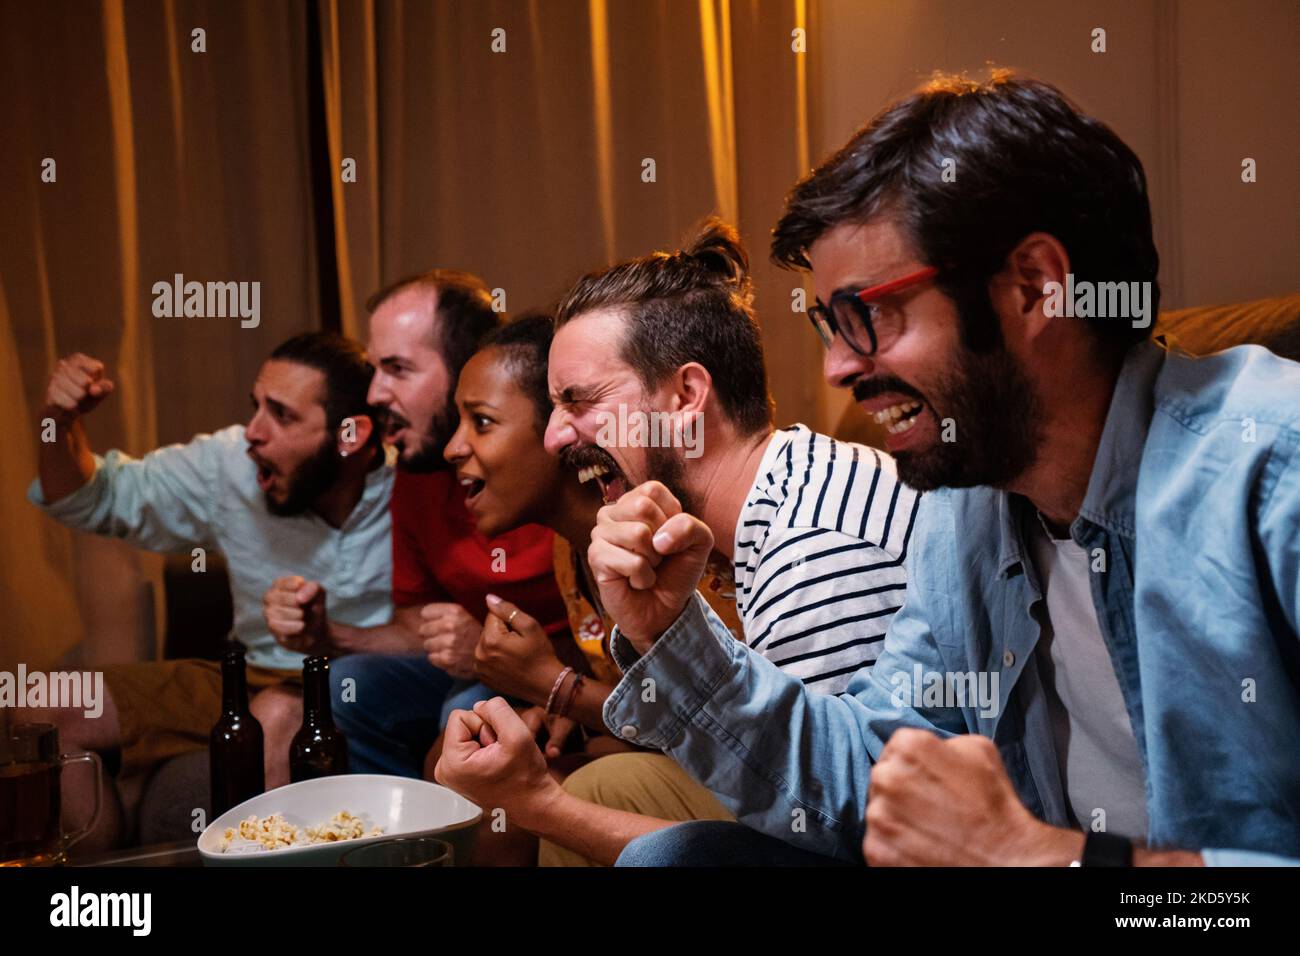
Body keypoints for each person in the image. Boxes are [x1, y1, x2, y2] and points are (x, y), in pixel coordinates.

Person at [582, 71, 1300, 866]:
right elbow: (872, 776)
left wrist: (1049, 859)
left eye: (866, 317)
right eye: (828, 325)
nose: (836, 372)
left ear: (1034, 287)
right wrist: (670, 635)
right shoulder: (970, 513)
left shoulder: (1274, 471)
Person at [434, 219, 922, 865]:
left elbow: (841, 830)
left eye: (579, 401)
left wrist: (535, 802)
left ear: (687, 395)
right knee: (608, 781)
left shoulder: (806, 551)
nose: (556, 438)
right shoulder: (782, 488)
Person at [27, 332, 391, 850]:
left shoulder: (412, 491)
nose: (253, 433)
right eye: (255, 407)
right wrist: (58, 421)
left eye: (282, 416)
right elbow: (84, 498)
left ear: (351, 435)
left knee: (276, 718)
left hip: (355, 681)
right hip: (243, 676)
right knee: (43, 705)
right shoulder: (230, 466)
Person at [264, 271, 570, 778]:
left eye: (397, 369)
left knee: (464, 711)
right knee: (349, 686)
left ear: (469, 365)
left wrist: (491, 652)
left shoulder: (551, 471)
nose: (375, 392)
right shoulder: (415, 467)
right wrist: (329, 635)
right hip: (485, 665)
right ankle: (396, 843)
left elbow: (616, 644)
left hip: (554, 668)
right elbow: (417, 626)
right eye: (373, 369)